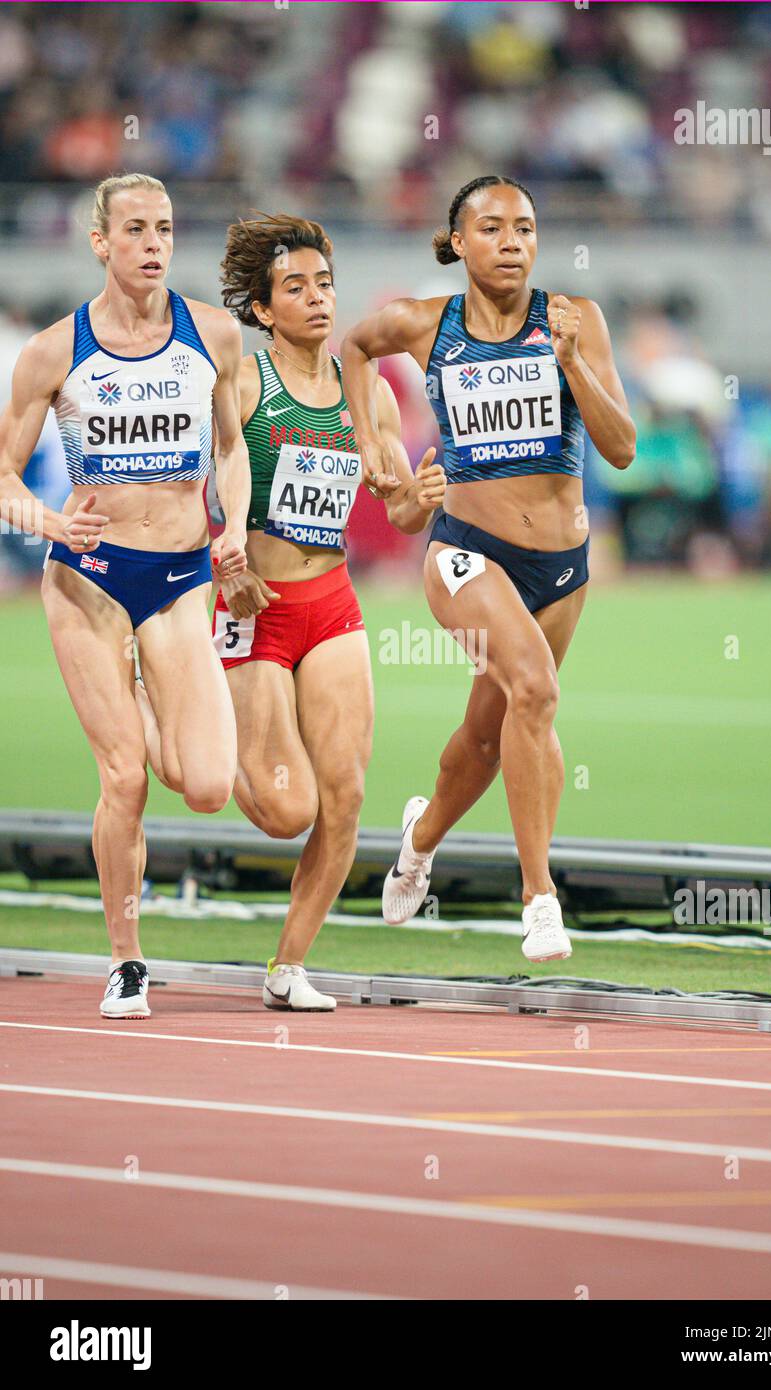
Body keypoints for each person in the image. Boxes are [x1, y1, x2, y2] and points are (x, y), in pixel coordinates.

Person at [341, 175, 636, 962]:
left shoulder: (576, 321)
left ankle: (418, 840)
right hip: (467, 549)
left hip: (562, 567)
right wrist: (378, 448)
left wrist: (573, 365)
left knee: (487, 734)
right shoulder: (425, 325)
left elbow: (622, 447)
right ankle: (539, 896)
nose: (513, 242)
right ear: (460, 243)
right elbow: (354, 347)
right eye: (494, 229)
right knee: (536, 689)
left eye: (526, 229)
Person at [0, 173, 250, 1019]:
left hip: (180, 580)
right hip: (89, 582)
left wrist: (235, 524)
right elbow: (2, 476)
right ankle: (126, 957)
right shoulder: (53, 352)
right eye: (135, 230)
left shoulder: (213, 336)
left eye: (166, 229)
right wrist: (43, 520)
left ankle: (139, 684)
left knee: (209, 783)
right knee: (126, 777)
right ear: (100, 242)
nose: (153, 244)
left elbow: (231, 448)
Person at [215, 213, 445, 1011]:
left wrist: (416, 498)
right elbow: (210, 474)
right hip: (255, 604)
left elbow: (403, 515)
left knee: (344, 797)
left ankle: (287, 968)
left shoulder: (368, 388)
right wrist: (225, 543)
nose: (316, 299)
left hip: (330, 602)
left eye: (324, 283)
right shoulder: (246, 382)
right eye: (294, 287)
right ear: (263, 307)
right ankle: (193, 720)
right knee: (287, 809)